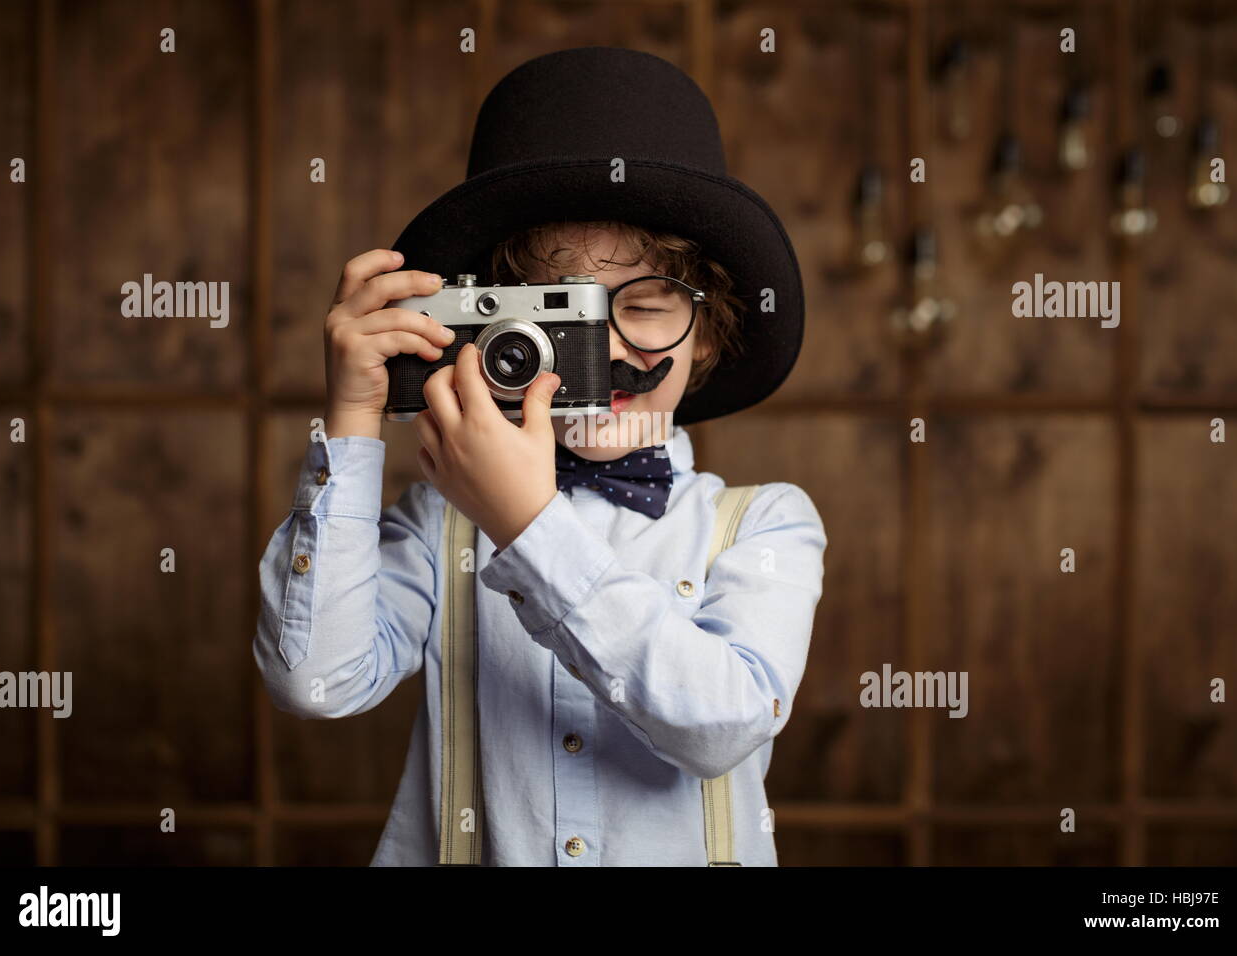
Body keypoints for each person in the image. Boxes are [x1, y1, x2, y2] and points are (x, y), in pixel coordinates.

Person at [253, 46, 827, 866]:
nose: (609, 351)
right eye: (562, 315)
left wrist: (527, 526)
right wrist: (351, 418)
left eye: (648, 305)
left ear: (707, 337)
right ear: (487, 329)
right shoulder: (440, 523)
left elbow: (723, 724)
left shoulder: (765, 524)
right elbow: (314, 682)